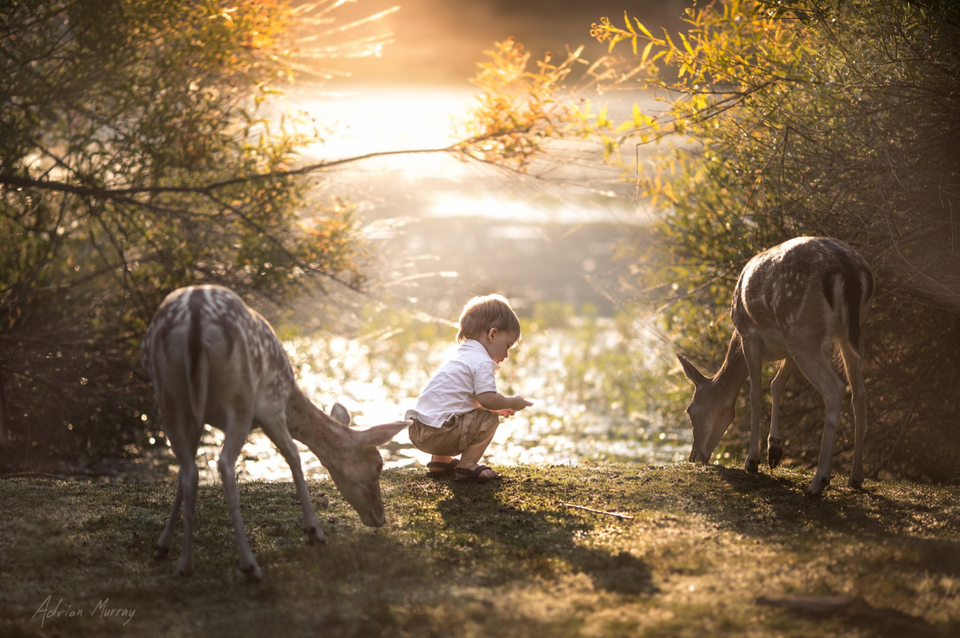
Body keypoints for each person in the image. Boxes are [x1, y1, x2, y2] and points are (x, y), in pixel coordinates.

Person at [405, 294, 533, 482]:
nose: (506, 354)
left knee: (473, 413)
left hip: (418, 431)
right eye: (507, 346)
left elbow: (459, 403)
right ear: (493, 334)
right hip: (439, 434)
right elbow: (487, 399)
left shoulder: (457, 358)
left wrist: (495, 406)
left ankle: (440, 462)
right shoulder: (482, 362)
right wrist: (513, 402)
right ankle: (467, 466)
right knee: (489, 418)